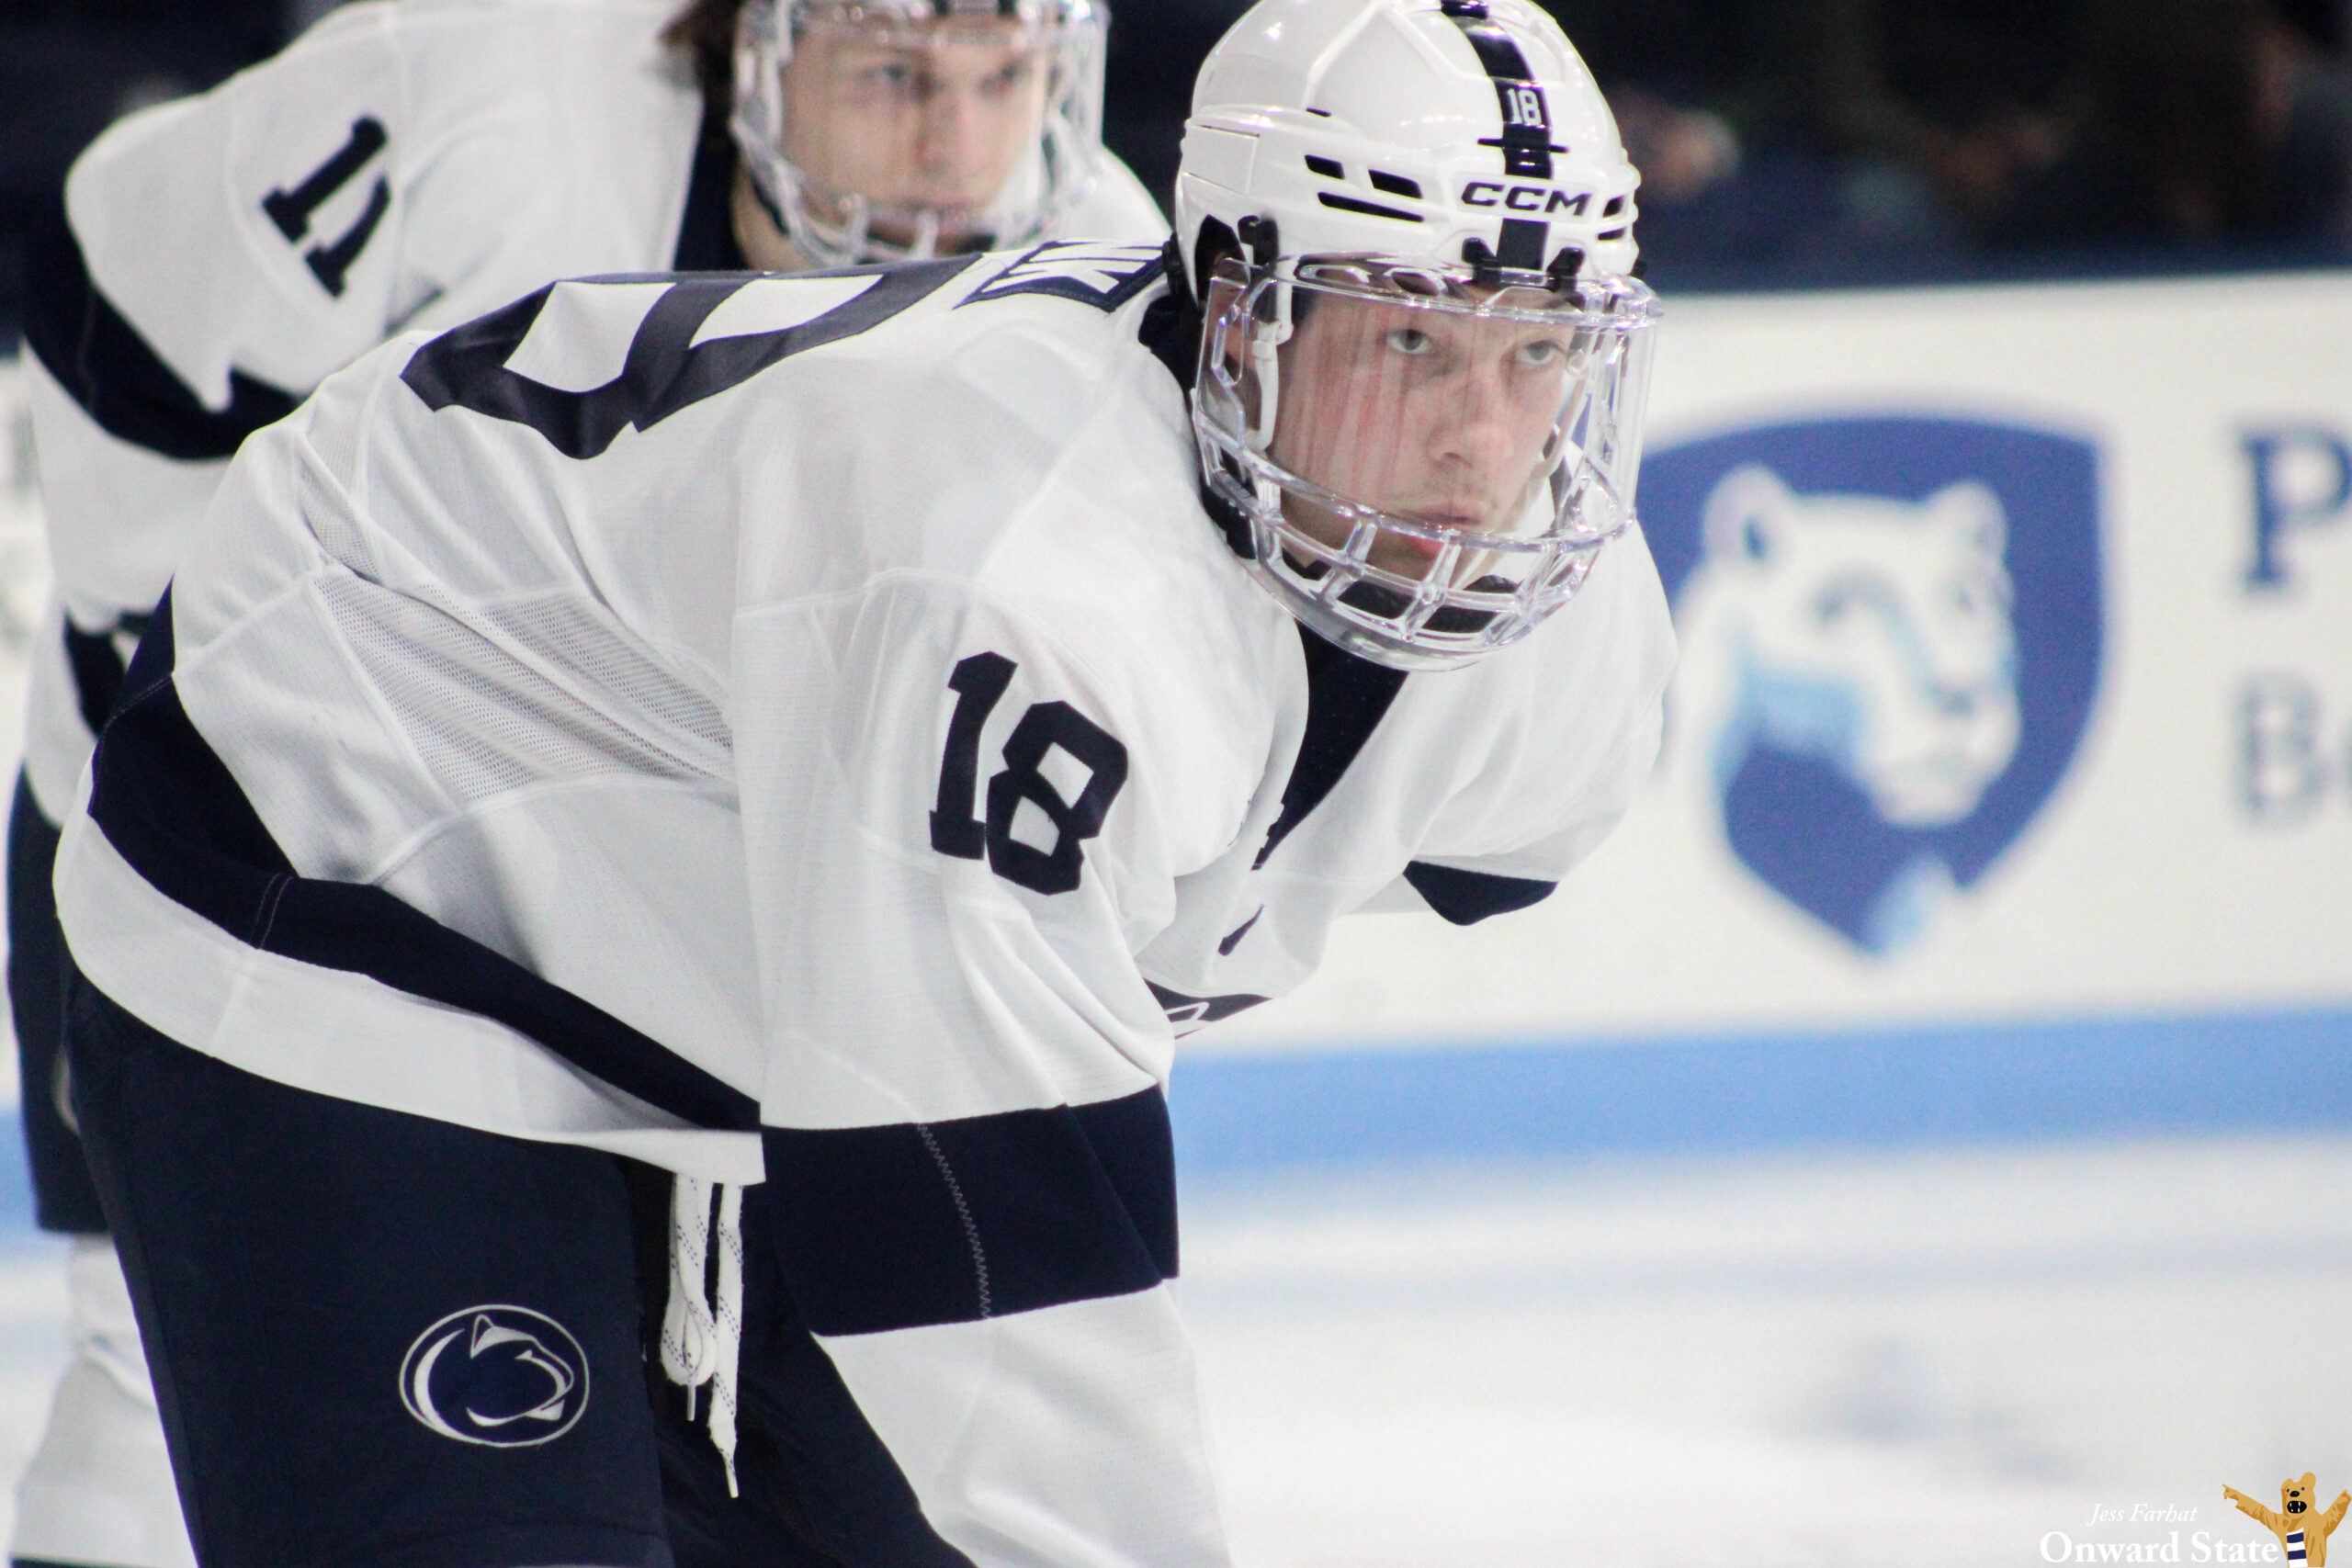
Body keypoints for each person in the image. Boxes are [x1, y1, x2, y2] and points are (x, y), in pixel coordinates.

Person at [51, 0, 1675, 1562]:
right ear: (1241, 310)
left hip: (727, 988)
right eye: (1409, 337)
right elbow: (991, 1266)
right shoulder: (1024, 582)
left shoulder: (1565, 647)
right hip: (349, 866)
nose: (1482, 440)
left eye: (1540, 348)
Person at [13, 1, 1161, 1563]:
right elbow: (122, 292)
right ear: (758, 48)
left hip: (660, 930)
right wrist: (175, 653)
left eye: (1003, 79)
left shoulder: (1099, 261)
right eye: (894, 75)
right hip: (255, 827)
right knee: (150, 1368)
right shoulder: (491, 100)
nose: (955, 150)